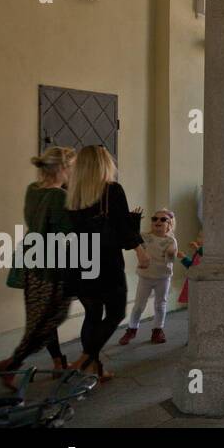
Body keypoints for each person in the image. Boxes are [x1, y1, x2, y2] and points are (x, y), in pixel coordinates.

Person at [0, 146, 77, 388]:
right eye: (71, 167)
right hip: (51, 266)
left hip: (31, 260)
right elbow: (68, 236)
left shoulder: (32, 190)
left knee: (39, 318)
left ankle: (15, 363)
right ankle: (11, 364)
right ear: (63, 168)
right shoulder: (59, 197)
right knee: (50, 318)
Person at [65, 145, 145, 382]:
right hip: (106, 262)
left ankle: (94, 367)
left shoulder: (71, 193)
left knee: (92, 313)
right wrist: (141, 251)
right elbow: (122, 229)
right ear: (104, 164)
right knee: (116, 312)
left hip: (78, 262)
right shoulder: (112, 190)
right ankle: (85, 359)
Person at [119, 208, 178, 344]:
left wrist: (171, 253)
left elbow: (171, 255)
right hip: (146, 276)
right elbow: (132, 237)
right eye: (154, 219)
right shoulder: (145, 236)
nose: (158, 221)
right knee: (139, 305)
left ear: (169, 224)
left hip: (163, 277)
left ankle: (157, 330)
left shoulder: (171, 241)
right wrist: (133, 221)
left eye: (163, 219)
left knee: (160, 304)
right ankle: (132, 329)